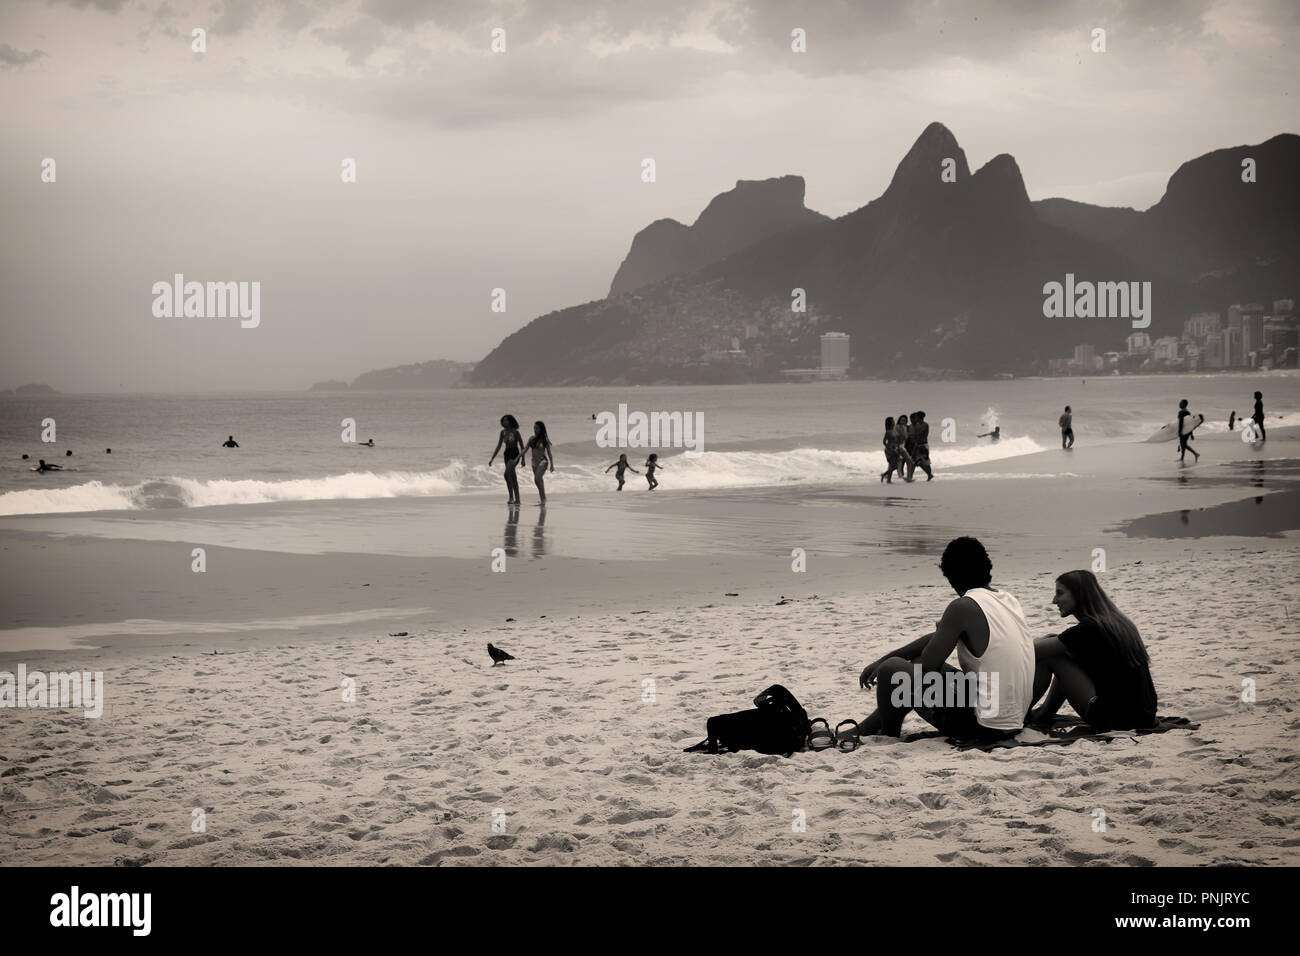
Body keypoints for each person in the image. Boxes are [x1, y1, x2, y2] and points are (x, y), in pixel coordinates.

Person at [853, 537, 1035, 741]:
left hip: (986, 725)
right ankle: (866, 727)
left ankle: (888, 734)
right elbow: (939, 643)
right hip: (1016, 718)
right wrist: (883, 658)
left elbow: (930, 664)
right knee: (910, 663)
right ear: (987, 567)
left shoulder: (963, 606)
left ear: (950, 576)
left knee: (892, 669)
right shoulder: (1007, 600)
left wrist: (886, 662)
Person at [1028, 570, 1157, 731]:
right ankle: (1043, 713)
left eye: (1060, 593)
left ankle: (1020, 715)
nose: (1054, 601)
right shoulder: (1116, 622)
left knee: (1051, 657)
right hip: (1143, 716)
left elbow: (1030, 652)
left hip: (1118, 719)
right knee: (1058, 651)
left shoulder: (1089, 629)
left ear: (1079, 594)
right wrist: (1049, 639)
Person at [488, 414, 524, 505]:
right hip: (507, 454)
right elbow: (499, 446)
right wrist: (492, 458)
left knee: (508, 473)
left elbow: (522, 445)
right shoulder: (502, 432)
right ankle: (512, 498)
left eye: (506, 420)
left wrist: (523, 459)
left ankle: (517, 498)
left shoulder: (515, 432)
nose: (504, 422)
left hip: (515, 453)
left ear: (511, 421)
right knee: (509, 476)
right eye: (503, 420)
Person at [525, 420, 554, 504]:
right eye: (534, 428)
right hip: (534, 462)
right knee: (539, 481)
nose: (535, 429)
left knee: (537, 479)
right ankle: (543, 499)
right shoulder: (531, 439)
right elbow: (525, 449)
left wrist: (552, 465)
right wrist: (519, 457)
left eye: (537, 428)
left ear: (541, 429)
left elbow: (549, 453)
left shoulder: (544, 439)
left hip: (543, 461)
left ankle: (543, 499)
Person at [907, 410, 934, 481]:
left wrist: (913, 433)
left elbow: (919, 434)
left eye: (916, 417)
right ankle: (910, 477)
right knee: (913, 461)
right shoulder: (917, 425)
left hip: (923, 445)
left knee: (926, 461)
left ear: (919, 417)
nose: (915, 418)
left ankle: (929, 475)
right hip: (917, 445)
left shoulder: (925, 425)